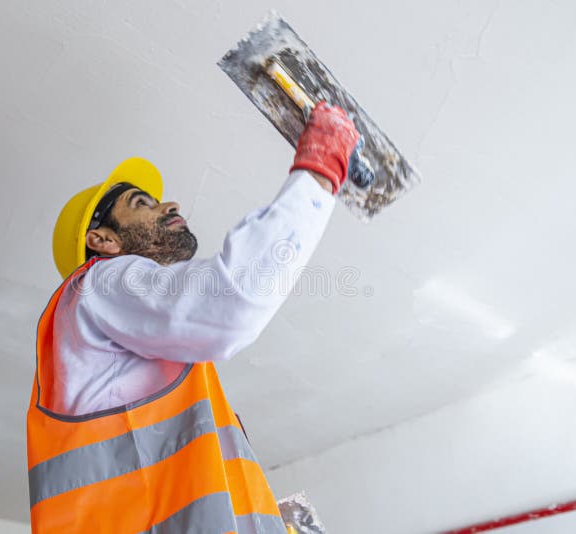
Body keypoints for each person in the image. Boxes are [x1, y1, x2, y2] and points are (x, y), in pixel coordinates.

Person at [26, 102, 360, 533]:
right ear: (102, 240)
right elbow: (232, 301)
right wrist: (319, 172)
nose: (169, 204)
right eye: (141, 203)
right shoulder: (102, 281)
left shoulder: (142, 345)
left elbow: (184, 486)